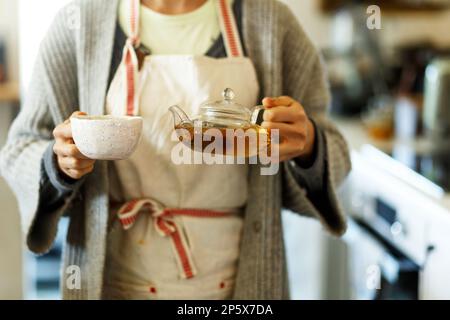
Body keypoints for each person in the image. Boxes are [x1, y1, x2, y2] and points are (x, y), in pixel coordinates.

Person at [0, 0, 350, 300]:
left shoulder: (270, 21)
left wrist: (306, 146)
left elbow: (334, 153)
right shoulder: (81, 22)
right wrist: (58, 163)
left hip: (240, 289)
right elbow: (20, 149)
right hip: (114, 283)